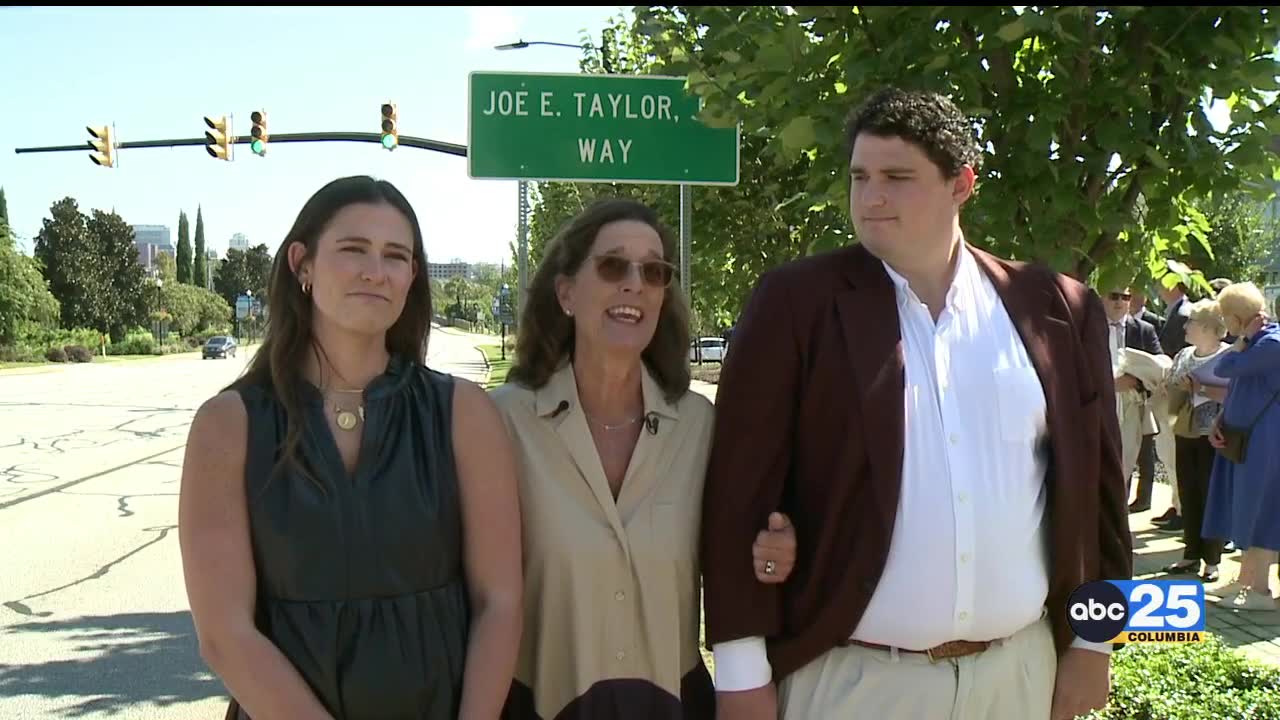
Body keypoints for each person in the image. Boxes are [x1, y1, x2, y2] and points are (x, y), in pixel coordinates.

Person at [701, 87, 1130, 720]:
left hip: (1018, 677)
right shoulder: (796, 304)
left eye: (896, 178)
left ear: (962, 184)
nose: (870, 197)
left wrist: (1096, 642)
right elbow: (739, 496)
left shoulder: (1057, 310)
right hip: (853, 682)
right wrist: (740, 674)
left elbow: (1099, 497)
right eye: (860, 177)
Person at [178, 176, 523, 719]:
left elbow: (499, 602)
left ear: (412, 276)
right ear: (302, 264)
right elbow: (226, 634)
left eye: (395, 256)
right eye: (353, 249)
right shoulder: (228, 426)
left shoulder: (464, 413)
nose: (375, 271)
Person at [489, 198, 796, 720]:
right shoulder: (502, 423)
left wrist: (776, 547)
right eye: (613, 266)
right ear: (566, 292)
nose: (635, 284)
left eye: (654, 272)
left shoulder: (701, 427)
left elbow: (742, 556)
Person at [1203, 282, 1280, 611]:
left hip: (1266, 440)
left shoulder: (1270, 343)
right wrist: (1220, 419)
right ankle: (1245, 579)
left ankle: (1259, 590)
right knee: (1244, 507)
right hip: (1246, 437)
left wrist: (1241, 342)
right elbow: (1238, 384)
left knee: (1260, 509)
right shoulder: (1256, 342)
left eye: (1226, 318)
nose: (1224, 325)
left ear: (1237, 318)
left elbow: (1223, 367)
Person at [1161, 299, 1231, 582]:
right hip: (1185, 431)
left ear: (1208, 328)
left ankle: (1212, 561)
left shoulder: (1229, 357)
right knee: (1188, 492)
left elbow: (1236, 395)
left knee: (1211, 496)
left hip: (1216, 436)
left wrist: (1201, 388)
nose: (1185, 327)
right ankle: (1190, 554)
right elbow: (1171, 386)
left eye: (1191, 322)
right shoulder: (1184, 354)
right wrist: (1174, 388)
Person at [1104, 286, 1163, 504]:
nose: (1119, 302)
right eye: (1114, 296)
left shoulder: (1144, 330)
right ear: (1102, 297)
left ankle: (1130, 504)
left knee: (1134, 457)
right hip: (1101, 404)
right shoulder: (1089, 327)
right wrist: (1107, 385)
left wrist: (1135, 381)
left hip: (1134, 405)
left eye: (1126, 297)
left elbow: (1159, 365)